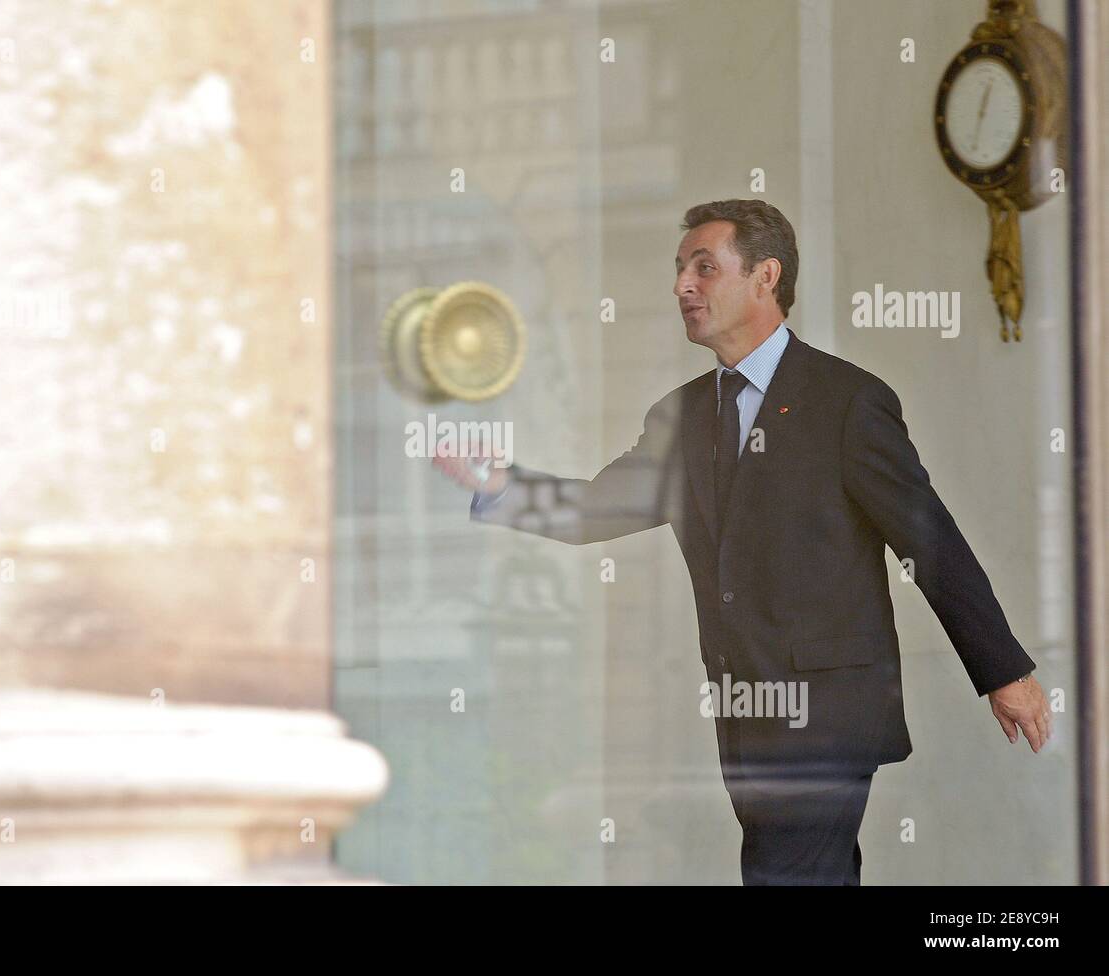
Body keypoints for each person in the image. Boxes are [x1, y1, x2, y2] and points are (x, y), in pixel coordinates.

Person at [432, 199, 1052, 885]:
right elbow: (594, 510)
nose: (682, 286)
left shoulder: (846, 402)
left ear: (765, 277)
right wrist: (497, 483)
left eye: (704, 267)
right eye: (679, 270)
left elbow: (928, 539)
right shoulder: (683, 416)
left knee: (784, 877)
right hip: (744, 716)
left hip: (827, 718)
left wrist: (1004, 670)